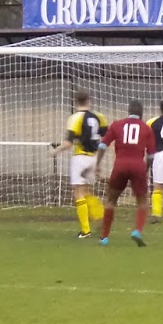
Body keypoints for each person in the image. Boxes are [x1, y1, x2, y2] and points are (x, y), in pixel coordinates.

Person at [49, 91, 107, 237]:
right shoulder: (99, 117)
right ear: (89, 101)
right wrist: (99, 163)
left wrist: (55, 151)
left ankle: (86, 230)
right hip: (93, 158)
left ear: (76, 102)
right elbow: (106, 139)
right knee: (86, 191)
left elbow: (68, 143)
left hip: (80, 158)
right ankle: (101, 215)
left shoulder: (75, 118)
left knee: (78, 193)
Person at [97, 100, 153, 247]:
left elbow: (102, 145)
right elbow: (151, 154)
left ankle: (104, 237)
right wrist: (146, 170)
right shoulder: (146, 128)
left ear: (128, 111)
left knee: (111, 200)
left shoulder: (116, 125)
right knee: (142, 201)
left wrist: (97, 164)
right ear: (141, 113)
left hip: (120, 165)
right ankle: (137, 231)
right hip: (138, 166)